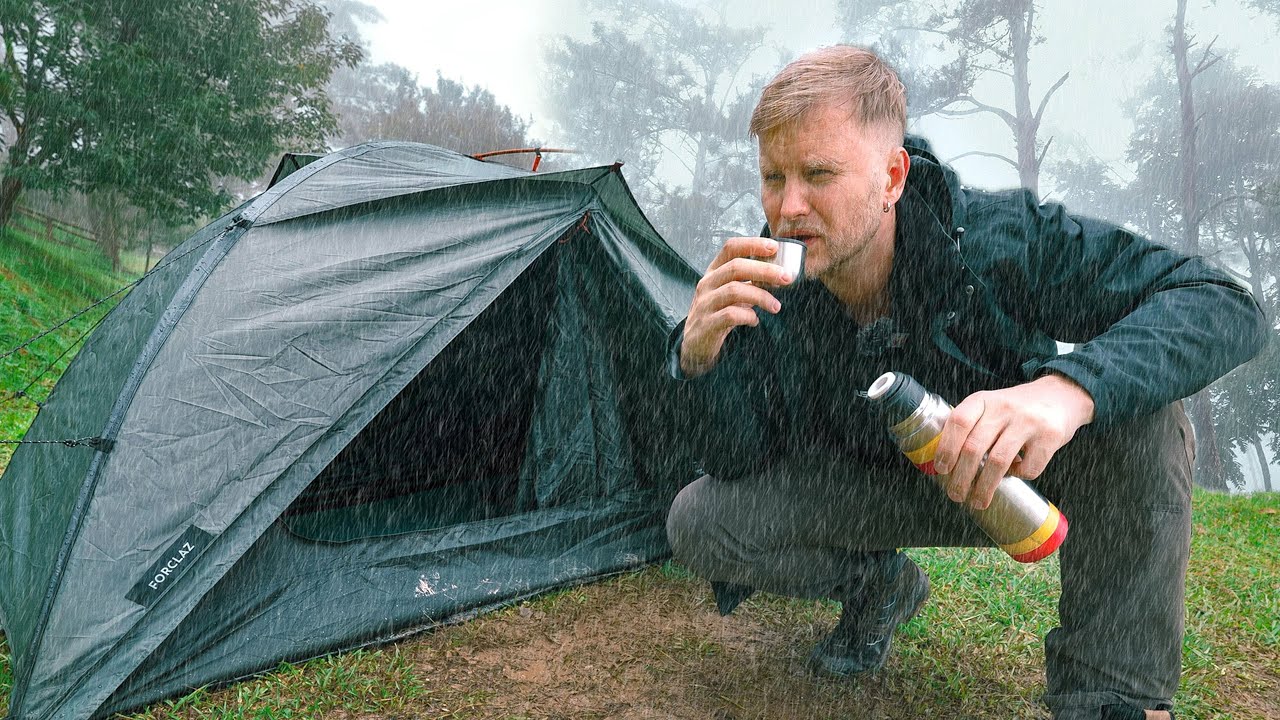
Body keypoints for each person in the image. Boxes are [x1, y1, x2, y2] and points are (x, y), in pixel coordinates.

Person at [664, 45, 1266, 720]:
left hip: (1009, 478)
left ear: (892, 177)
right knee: (698, 522)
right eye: (773, 177)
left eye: (818, 174)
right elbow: (736, 460)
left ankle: (1111, 696)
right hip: (869, 489)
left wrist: (1064, 391)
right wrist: (699, 362)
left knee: (1145, 418)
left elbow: (1221, 301)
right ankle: (878, 587)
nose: (789, 206)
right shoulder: (765, 286)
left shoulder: (1001, 238)